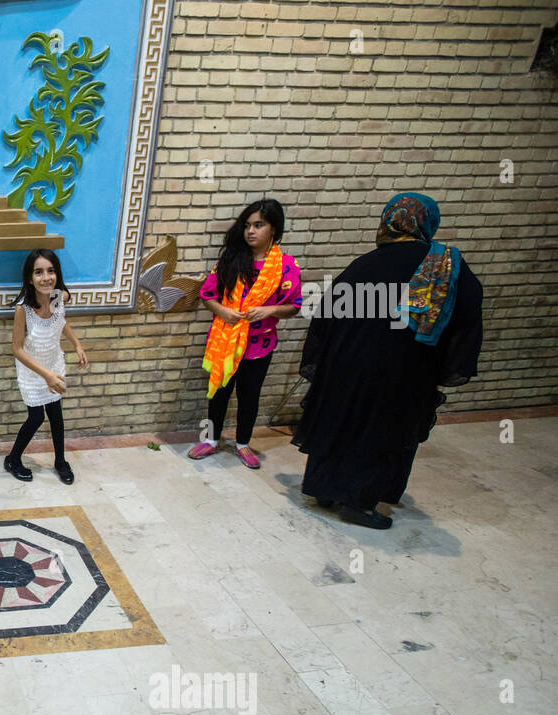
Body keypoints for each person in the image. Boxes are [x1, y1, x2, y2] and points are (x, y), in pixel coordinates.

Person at [292, 192, 483, 529]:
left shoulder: (364, 264)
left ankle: (323, 488)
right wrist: (447, 364)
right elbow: (466, 314)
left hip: (346, 364)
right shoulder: (444, 265)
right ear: (426, 222)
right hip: (402, 370)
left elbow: (326, 315)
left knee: (341, 420)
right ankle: (359, 502)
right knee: (382, 430)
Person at [188, 199, 302, 468]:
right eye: (248, 225)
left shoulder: (286, 266)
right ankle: (211, 440)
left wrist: (270, 310)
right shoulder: (231, 260)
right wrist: (223, 312)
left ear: (274, 229)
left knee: (249, 395)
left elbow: (294, 306)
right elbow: (207, 295)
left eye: (259, 225)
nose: (251, 231)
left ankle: (243, 444)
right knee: (218, 392)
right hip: (225, 341)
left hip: (258, 346)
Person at [3, 248, 88, 484]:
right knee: (36, 417)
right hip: (33, 371)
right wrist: (45, 375)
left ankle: (61, 461)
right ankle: (12, 459)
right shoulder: (24, 309)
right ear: (30, 278)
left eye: (51, 271)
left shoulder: (59, 297)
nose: (46, 277)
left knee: (57, 416)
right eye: (38, 272)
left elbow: (61, 322)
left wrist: (77, 345)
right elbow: (17, 349)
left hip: (53, 363)